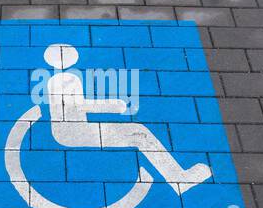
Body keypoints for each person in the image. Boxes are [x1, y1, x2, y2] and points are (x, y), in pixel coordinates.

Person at [41, 43, 211, 195]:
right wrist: (113, 105)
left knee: (138, 132)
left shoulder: (64, 79)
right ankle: (179, 179)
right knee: (138, 134)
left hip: (74, 128)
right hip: (72, 132)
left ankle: (177, 176)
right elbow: (76, 107)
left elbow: (75, 108)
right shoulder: (64, 81)